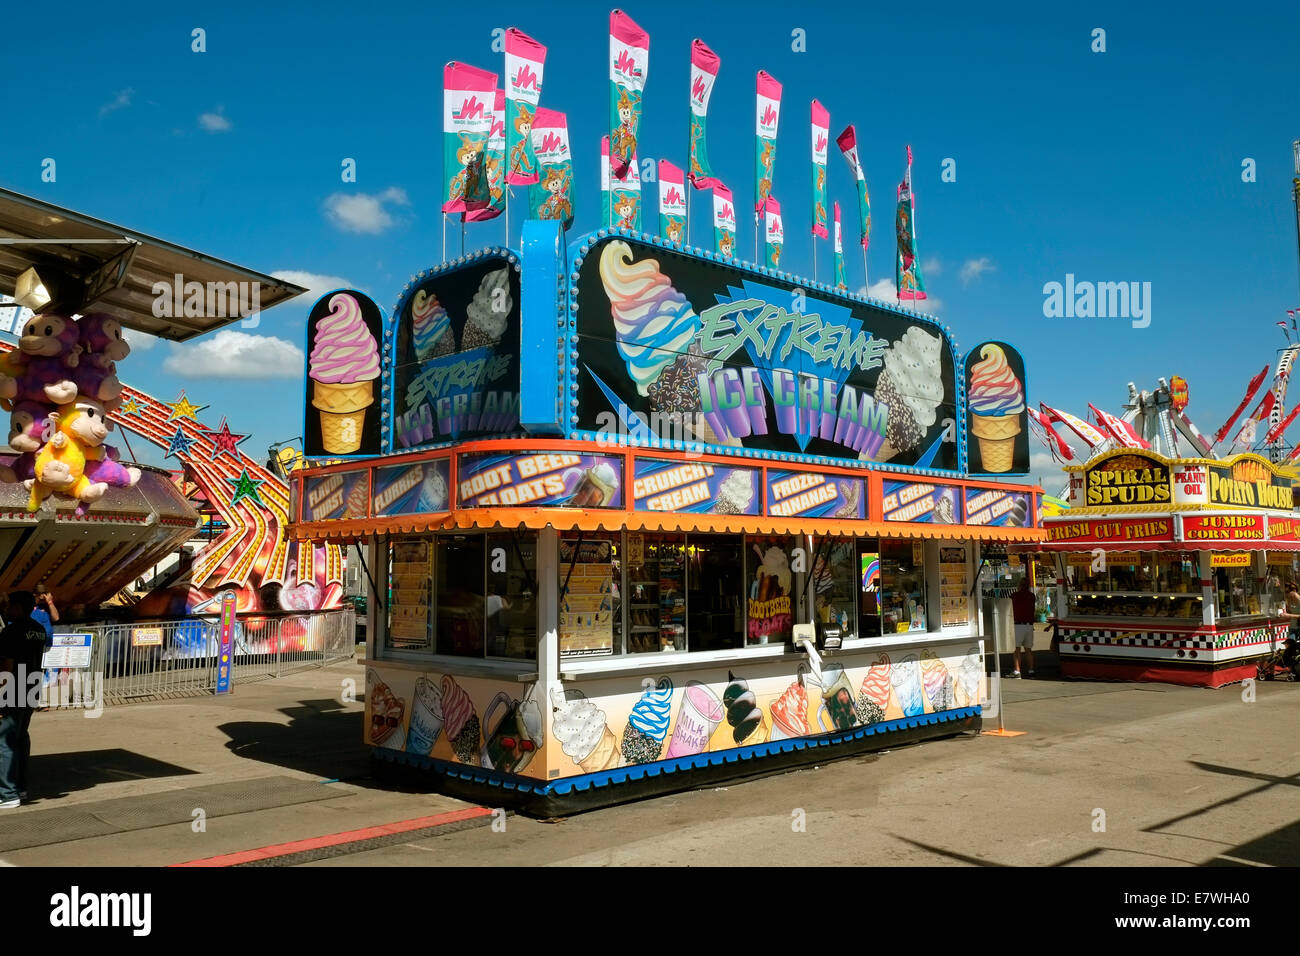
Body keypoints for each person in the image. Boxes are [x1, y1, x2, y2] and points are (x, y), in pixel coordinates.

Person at [0, 591, 49, 807]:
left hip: (13, 689)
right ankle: (20, 788)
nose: (8, 608)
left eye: (10, 605)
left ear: (18, 607)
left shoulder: (11, 631)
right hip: (31, 688)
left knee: (5, 741)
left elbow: (6, 669)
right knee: (20, 737)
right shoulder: (38, 630)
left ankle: (7, 794)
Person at [1011, 577, 1037, 678]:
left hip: (1018, 625)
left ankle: (1017, 671)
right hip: (1029, 626)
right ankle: (1031, 671)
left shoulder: (1015, 596)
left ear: (1020, 585)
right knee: (1028, 649)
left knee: (1017, 649)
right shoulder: (1032, 596)